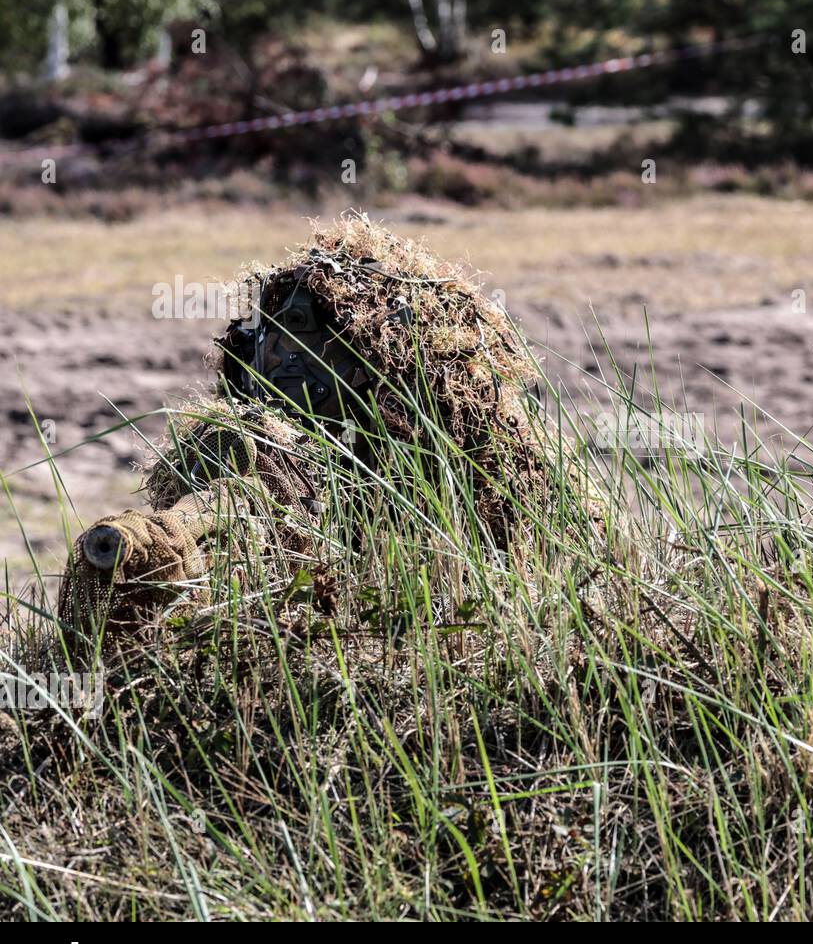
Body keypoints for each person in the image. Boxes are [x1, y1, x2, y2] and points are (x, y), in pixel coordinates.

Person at [58, 214, 598, 645]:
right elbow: (224, 509)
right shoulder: (237, 437)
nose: (285, 362)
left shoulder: (451, 447)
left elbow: (533, 564)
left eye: (310, 340)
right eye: (274, 339)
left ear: (374, 364)